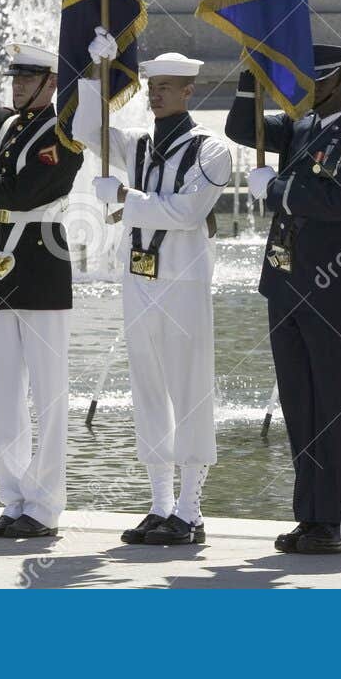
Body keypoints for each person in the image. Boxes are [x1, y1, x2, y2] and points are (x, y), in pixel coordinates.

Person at [226, 44, 341, 555]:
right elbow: (241, 129)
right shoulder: (299, 127)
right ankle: (309, 516)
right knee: (298, 400)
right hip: (285, 280)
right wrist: (251, 73)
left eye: (316, 79)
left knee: (334, 403)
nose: (305, 87)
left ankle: (339, 522)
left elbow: (337, 203)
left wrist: (275, 190)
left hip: (334, 286)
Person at [80, 35, 231, 547]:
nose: (156, 95)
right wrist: (94, 73)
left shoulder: (211, 149)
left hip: (183, 280)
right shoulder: (140, 143)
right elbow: (84, 128)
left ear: (189, 92)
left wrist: (128, 197)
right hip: (139, 276)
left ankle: (191, 509)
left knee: (189, 390)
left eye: (167, 88)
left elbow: (188, 214)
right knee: (147, 388)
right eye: (152, 87)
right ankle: (160, 503)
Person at [0, 43, 83, 540]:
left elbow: (25, 191)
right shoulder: (8, 123)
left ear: (52, 84)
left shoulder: (63, 134)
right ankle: (13, 499)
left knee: (47, 393)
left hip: (41, 260)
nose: (17, 84)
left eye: (29, 78)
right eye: (16, 77)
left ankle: (44, 506)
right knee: (5, 392)